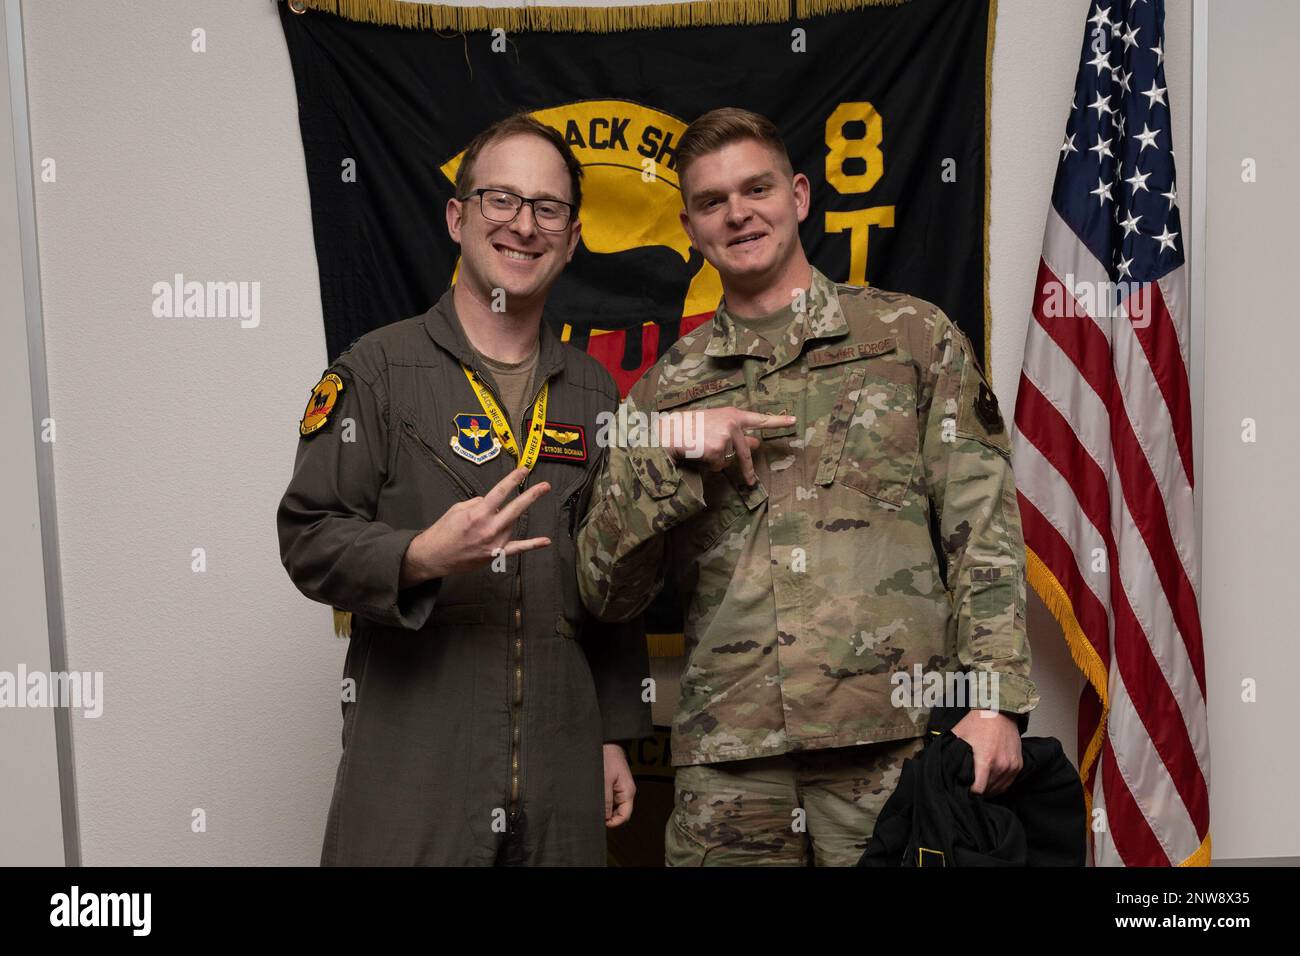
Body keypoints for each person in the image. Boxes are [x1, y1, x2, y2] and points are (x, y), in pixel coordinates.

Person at [576, 107, 1038, 866]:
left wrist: (993, 702)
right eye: (712, 201)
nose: (738, 213)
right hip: (730, 761)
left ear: (797, 195)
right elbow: (606, 594)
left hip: (895, 745)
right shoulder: (661, 396)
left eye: (755, 189)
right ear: (690, 228)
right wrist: (669, 459)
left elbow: (983, 532)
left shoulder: (911, 339)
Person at [278, 113, 652, 866]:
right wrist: (417, 554)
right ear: (458, 217)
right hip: (417, 757)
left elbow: (612, 573)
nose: (524, 225)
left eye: (549, 208)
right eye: (501, 200)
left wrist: (614, 731)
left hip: (559, 761)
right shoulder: (377, 371)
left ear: (573, 238)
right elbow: (307, 537)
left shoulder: (594, 390)